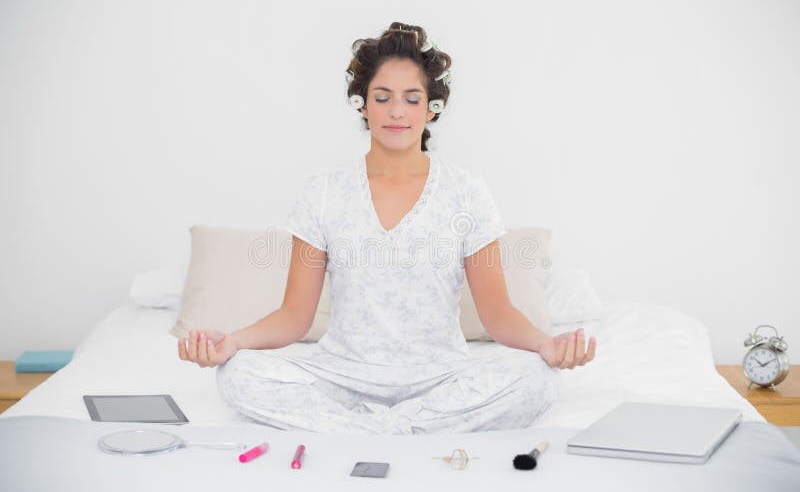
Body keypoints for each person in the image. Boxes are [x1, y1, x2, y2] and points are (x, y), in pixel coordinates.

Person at [177, 22, 597, 434]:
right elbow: (294, 317)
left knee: (538, 378)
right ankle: (408, 429)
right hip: (343, 377)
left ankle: (368, 430)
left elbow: (497, 314)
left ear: (432, 108)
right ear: (362, 104)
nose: (397, 111)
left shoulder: (467, 192)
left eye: (412, 99)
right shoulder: (324, 191)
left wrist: (545, 344)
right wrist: (233, 342)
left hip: (439, 379)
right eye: (383, 97)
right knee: (237, 374)